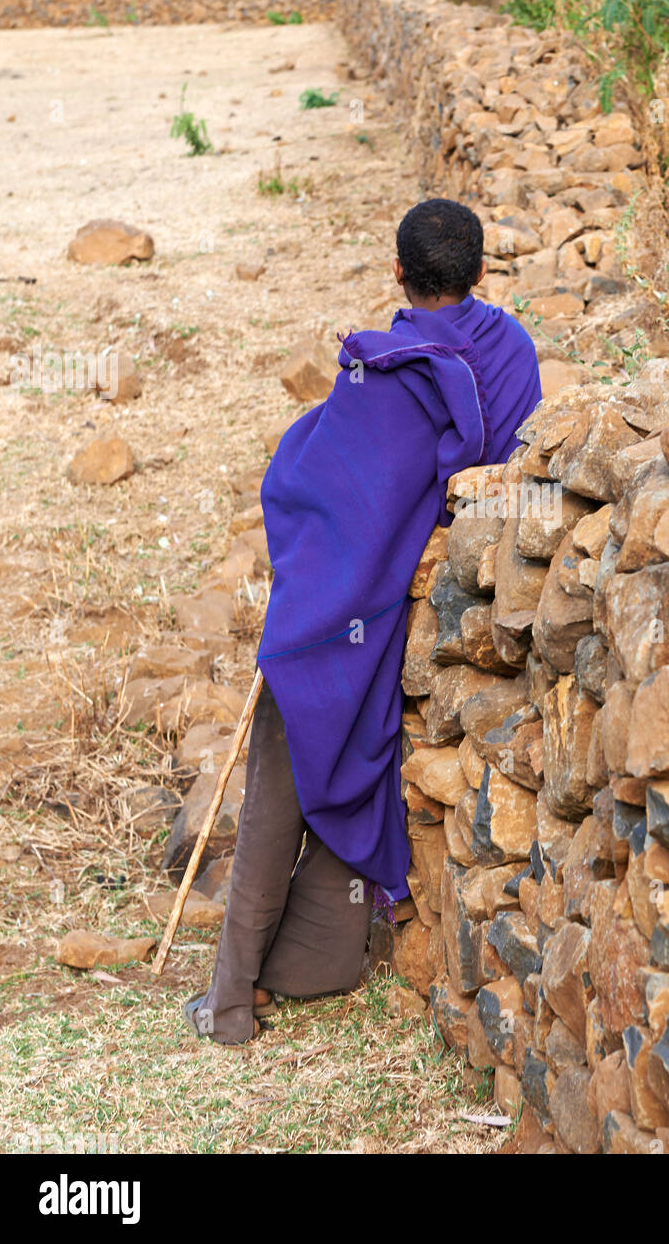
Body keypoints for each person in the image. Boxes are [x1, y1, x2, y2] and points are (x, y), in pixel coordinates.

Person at [183, 198, 542, 1043]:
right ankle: (309, 967)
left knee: (280, 791)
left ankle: (231, 1000)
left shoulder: (378, 374)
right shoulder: (511, 350)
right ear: (482, 272)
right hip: (432, 617)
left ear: (397, 273)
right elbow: (505, 466)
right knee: (359, 775)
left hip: (333, 620)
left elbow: (308, 487)